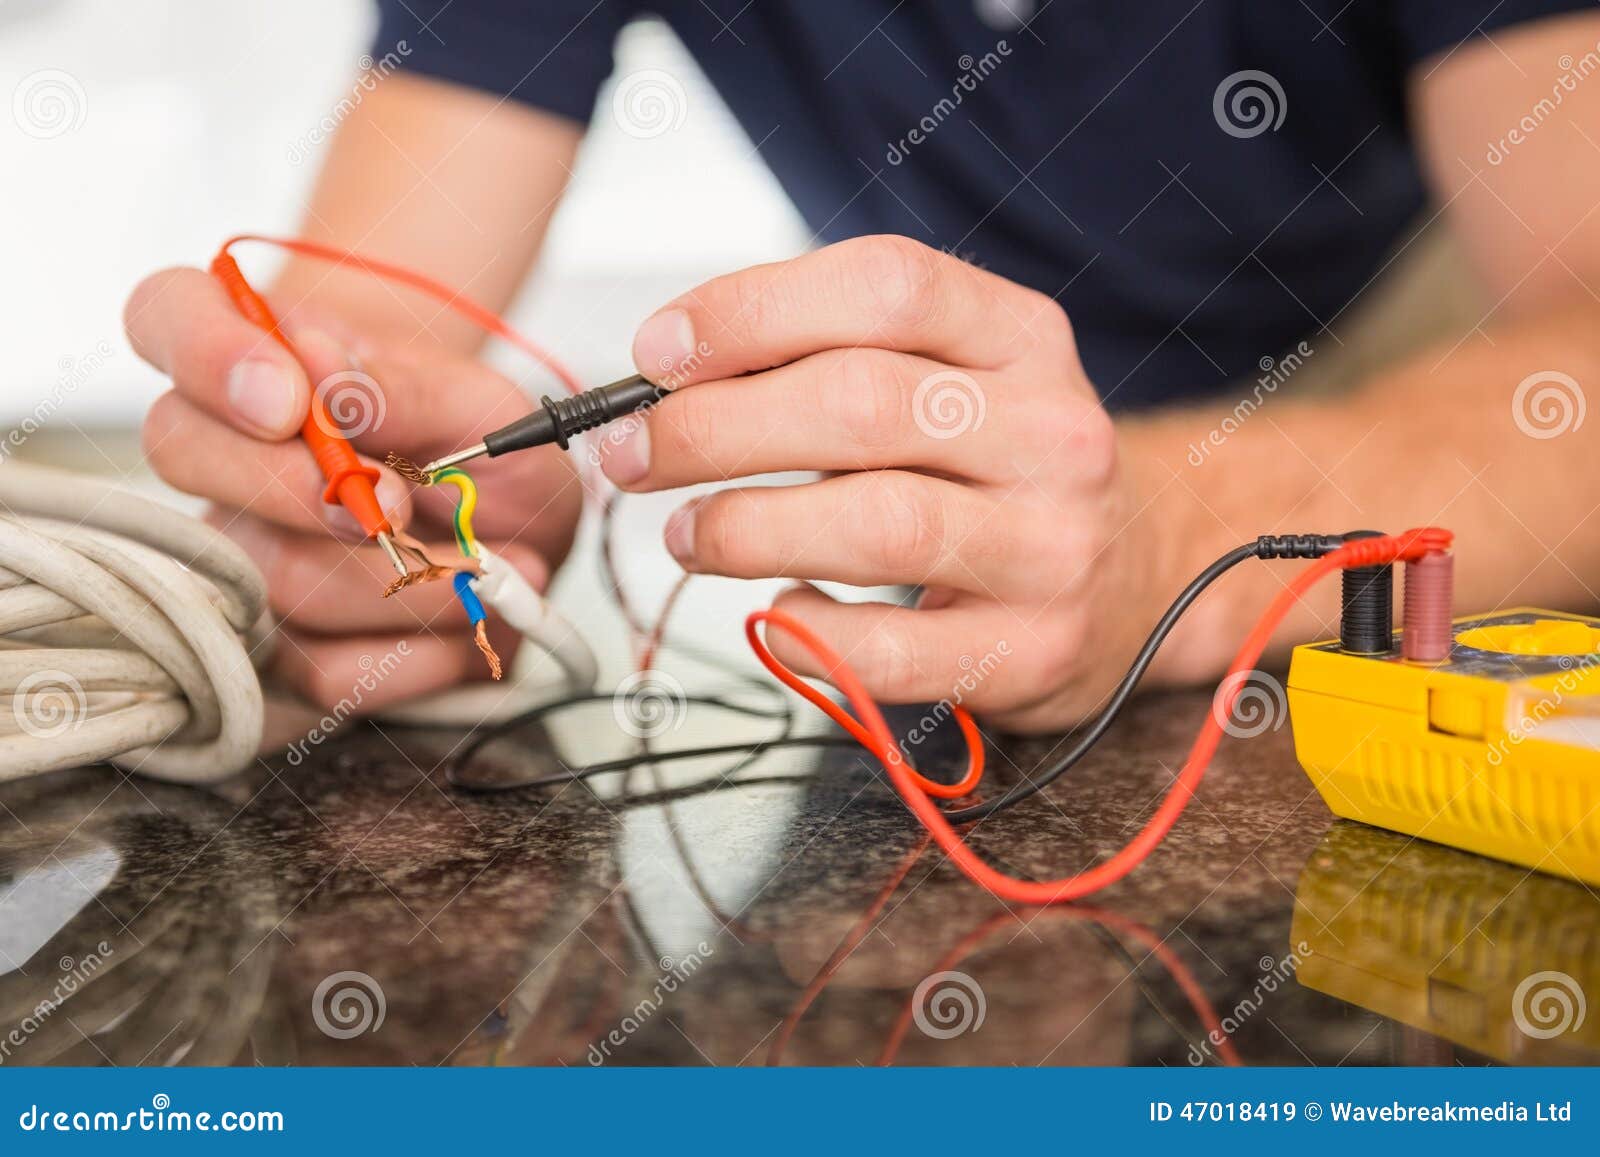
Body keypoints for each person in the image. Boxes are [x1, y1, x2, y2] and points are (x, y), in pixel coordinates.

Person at [125, 2, 1600, 730]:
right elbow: (367, 352)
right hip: (988, 521)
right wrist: (345, 491)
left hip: (1412, 405)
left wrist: (1166, 534)